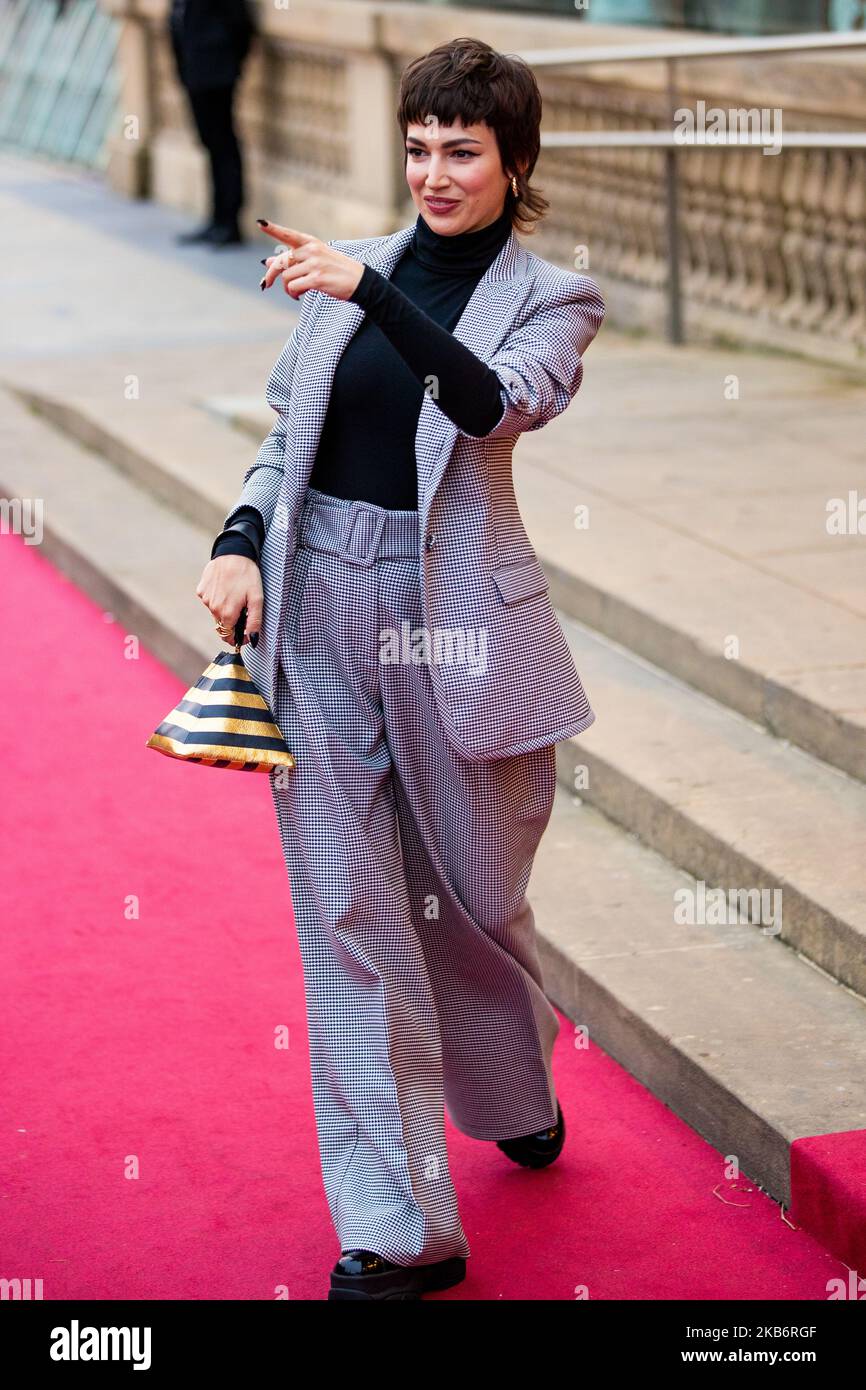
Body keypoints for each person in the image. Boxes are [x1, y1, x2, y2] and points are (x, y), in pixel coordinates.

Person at [195, 36, 605, 1300]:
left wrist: (370, 298)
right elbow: (286, 440)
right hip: (314, 602)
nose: (432, 172)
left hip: (454, 625)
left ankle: (512, 1079)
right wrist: (241, 537)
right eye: (418, 147)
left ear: (513, 162)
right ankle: (401, 1222)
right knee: (347, 917)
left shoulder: (552, 298)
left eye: (460, 152)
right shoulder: (352, 266)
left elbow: (487, 407)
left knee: (471, 903)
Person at [168, 0, 256, 246]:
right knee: (210, 144)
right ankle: (216, 218)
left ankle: (229, 222)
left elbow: (241, 23)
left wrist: (231, 64)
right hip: (193, 71)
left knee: (223, 145)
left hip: (217, 73)